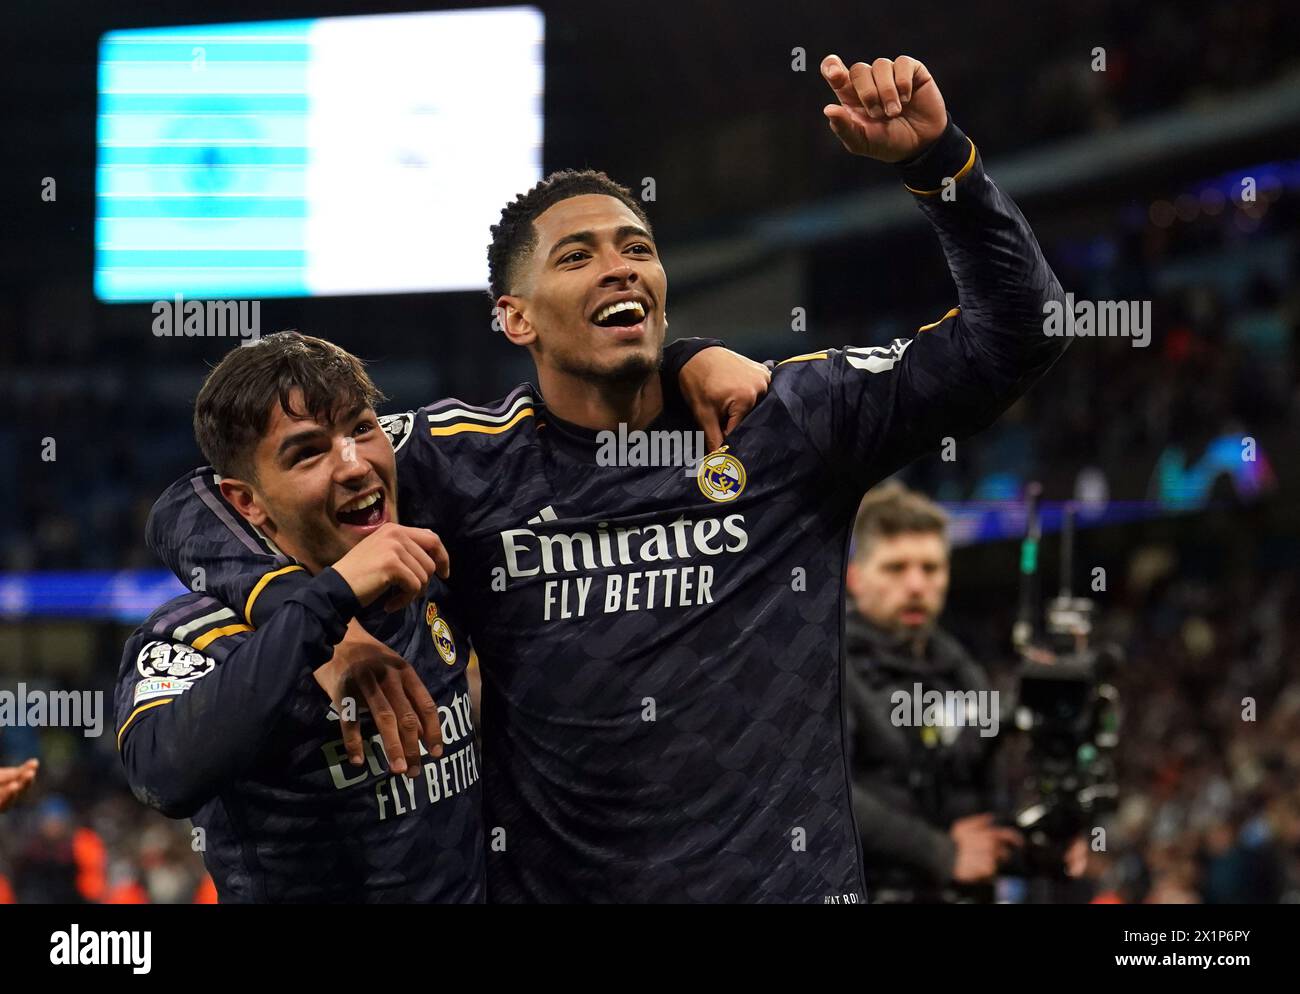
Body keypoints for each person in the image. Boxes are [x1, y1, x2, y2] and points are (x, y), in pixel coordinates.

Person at [145, 53, 1071, 902]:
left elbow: (1018, 336)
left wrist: (945, 170)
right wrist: (299, 612)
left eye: (636, 247)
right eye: (576, 257)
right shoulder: (460, 456)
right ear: (515, 318)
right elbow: (200, 502)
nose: (618, 267)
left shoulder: (782, 421)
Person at [115, 333, 484, 902]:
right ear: (246, 502)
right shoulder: (197, 634)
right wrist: (327, 605)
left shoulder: (428, 571)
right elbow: (160, 773)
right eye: (309, 452)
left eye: (363, 428)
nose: (356, 465)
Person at [843, 482, 1020, 902]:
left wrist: (1037, 844)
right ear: (855, 578)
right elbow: (826, 795)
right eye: (895, 568)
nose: (917, 585)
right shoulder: (827, 665)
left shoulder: (961, 668)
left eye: (931, 567)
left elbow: (982, 801)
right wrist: (941, 853)